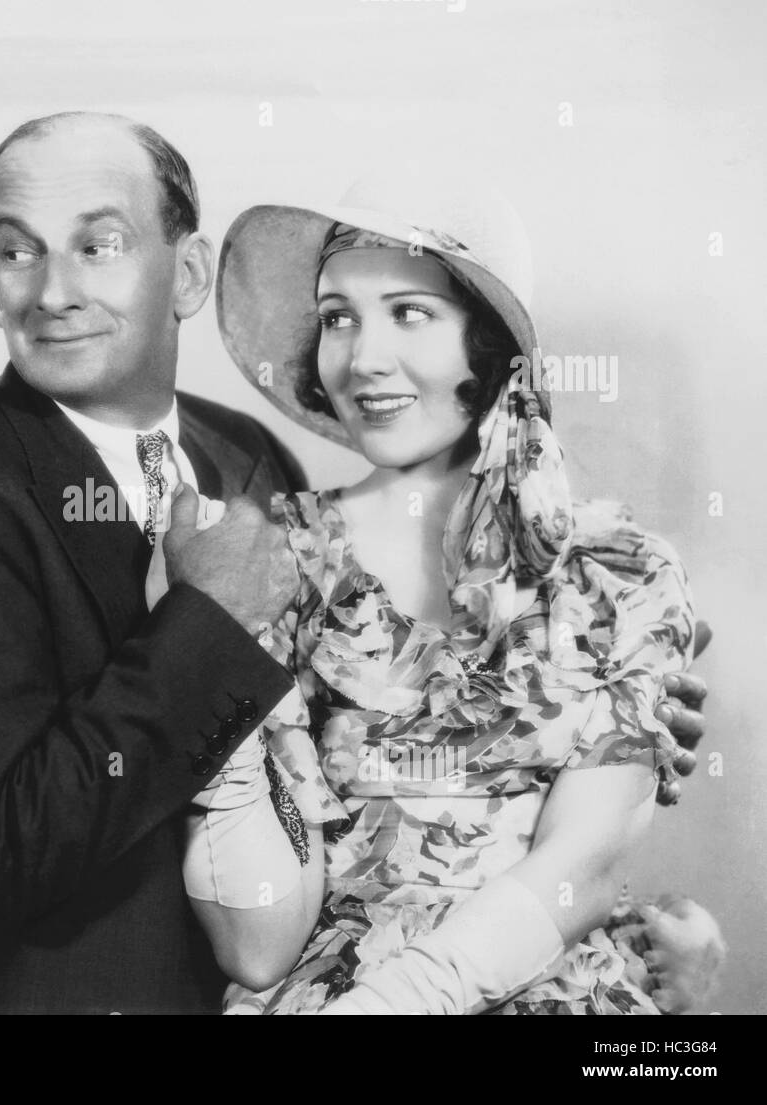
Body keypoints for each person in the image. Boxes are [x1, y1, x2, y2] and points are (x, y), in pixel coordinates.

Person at [175, 168, 724, 1014]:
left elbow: (582, 865)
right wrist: (210, 642)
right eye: (336, 318)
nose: (363, 357)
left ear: (488, 342)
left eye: (409, 312)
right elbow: (259, 941)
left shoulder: (621, 570)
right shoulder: (270, 558)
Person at [0, 112, 309, 1014]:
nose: (52, 292)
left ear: (188, 273)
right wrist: (209, 619)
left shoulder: (252, 456)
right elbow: (4, 852)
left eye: (98, 246)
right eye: (18, 254)